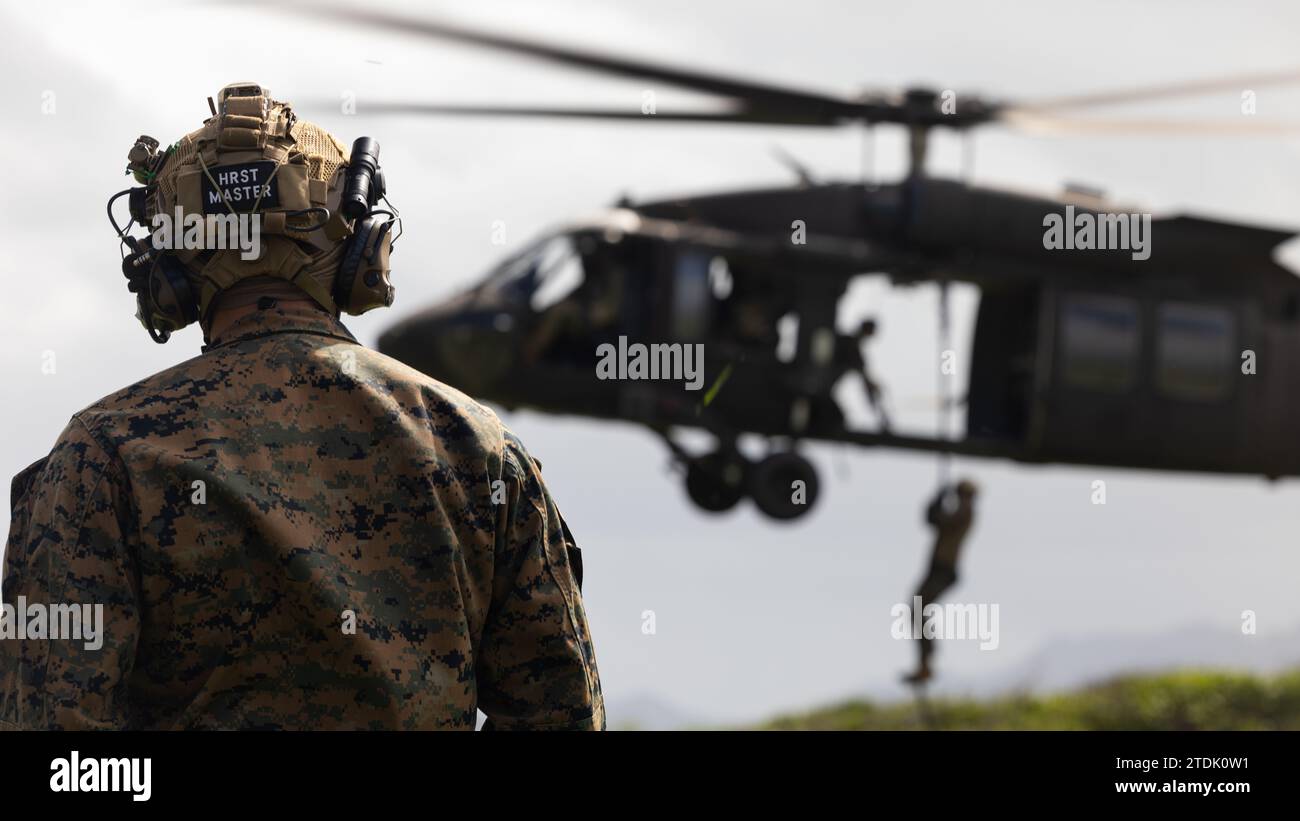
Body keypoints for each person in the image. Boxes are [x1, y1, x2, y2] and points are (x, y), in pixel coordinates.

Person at [0, 84, 603, 730]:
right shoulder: (477, 450)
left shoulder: (104, 456)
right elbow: (562, 713)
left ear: (167, 265)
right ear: (359, 246)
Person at [904, 479, 978, 684]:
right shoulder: (963, 513)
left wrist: (938, 501)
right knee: (917, 611)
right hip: (938, 569)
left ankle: (926, 663)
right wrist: (937, 500)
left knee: (919, 610)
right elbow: (934, 520)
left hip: (943, 570)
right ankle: (925, 662)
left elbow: (937, 520)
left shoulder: (965, 513)